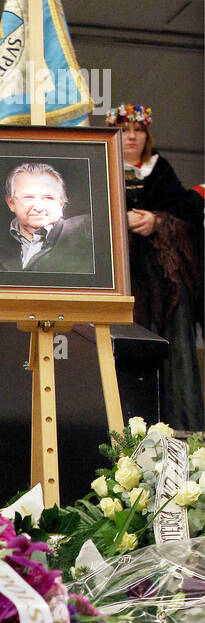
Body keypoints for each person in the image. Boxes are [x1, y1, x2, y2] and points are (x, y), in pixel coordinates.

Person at [106, 103, 203, 431]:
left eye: (138, 130)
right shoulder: (105, 169)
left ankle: (181, 429)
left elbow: (188, 219)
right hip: (124, 285)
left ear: (147, 135)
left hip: (165, 287)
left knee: (175, 358)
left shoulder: (161, 172)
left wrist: (157, 221)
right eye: (125, 130)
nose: (132, 136)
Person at [0, 162, 93, 274]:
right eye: (28, 197)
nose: (39, 207)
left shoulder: (86, 232)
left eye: (48, 198)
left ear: (61, 204)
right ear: (11, 203)